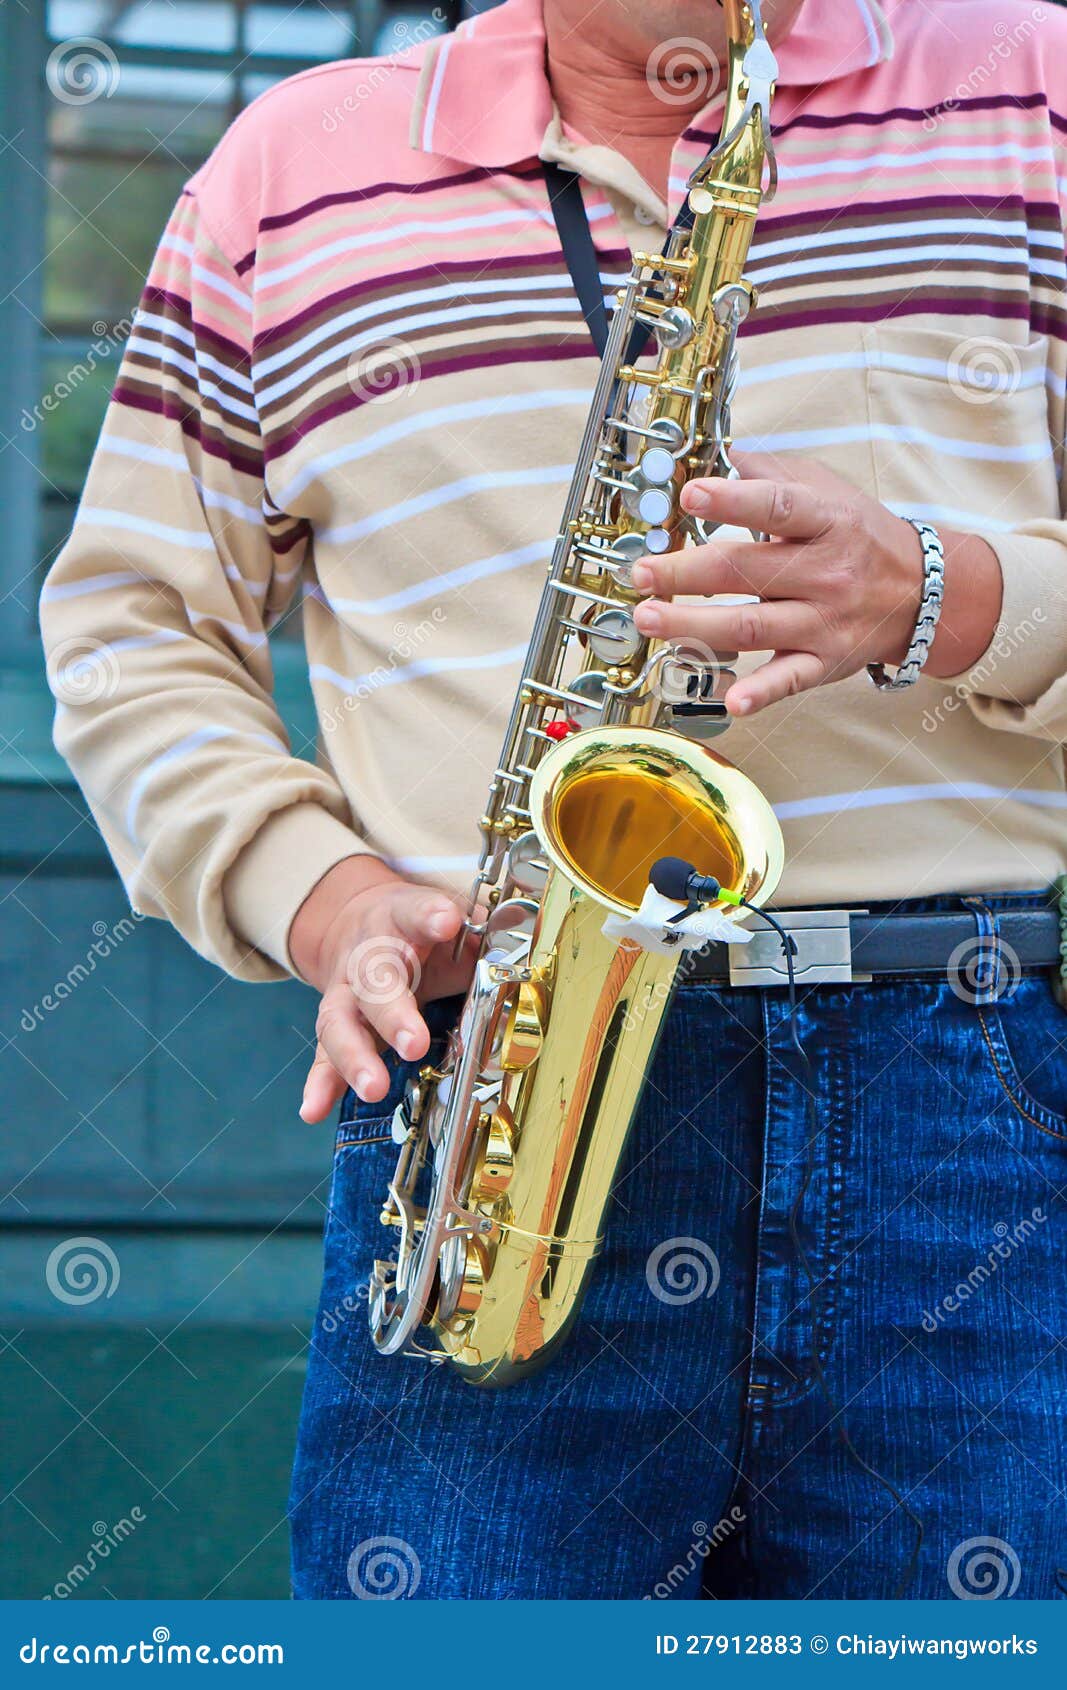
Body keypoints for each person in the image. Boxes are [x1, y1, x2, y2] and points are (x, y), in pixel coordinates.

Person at [41, 0, 1067, 1600]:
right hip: (495, 1081)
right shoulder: (287, 174)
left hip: (963, 1098)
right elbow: (132, 634)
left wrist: (951, 593)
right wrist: (326, 899)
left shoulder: (1039, 93)